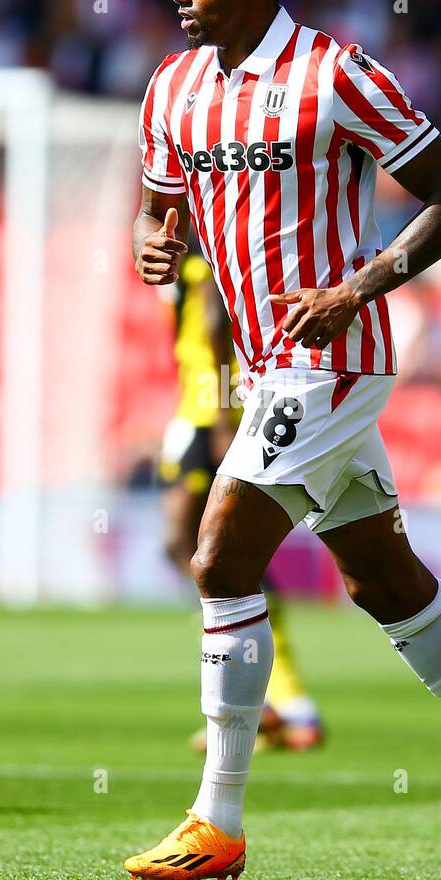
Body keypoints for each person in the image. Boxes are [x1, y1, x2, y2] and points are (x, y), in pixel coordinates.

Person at [126, 0, 441, 880]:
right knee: (380, 578)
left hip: (334, 356)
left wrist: (357, 286)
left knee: (219, 556)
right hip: (263, 367)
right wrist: (149, 241)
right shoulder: (170, 89)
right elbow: (155, 209)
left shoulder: (334, 75)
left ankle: (219, 818)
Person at [158, 228, 324, 751]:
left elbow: (216, 325)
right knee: (204, 553)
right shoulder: (192, 260)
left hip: (210, 416)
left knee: (218, 555)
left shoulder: (205, 262)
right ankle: (279, 702)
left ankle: (276, 701)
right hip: (199, 411)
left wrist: (228, 417)